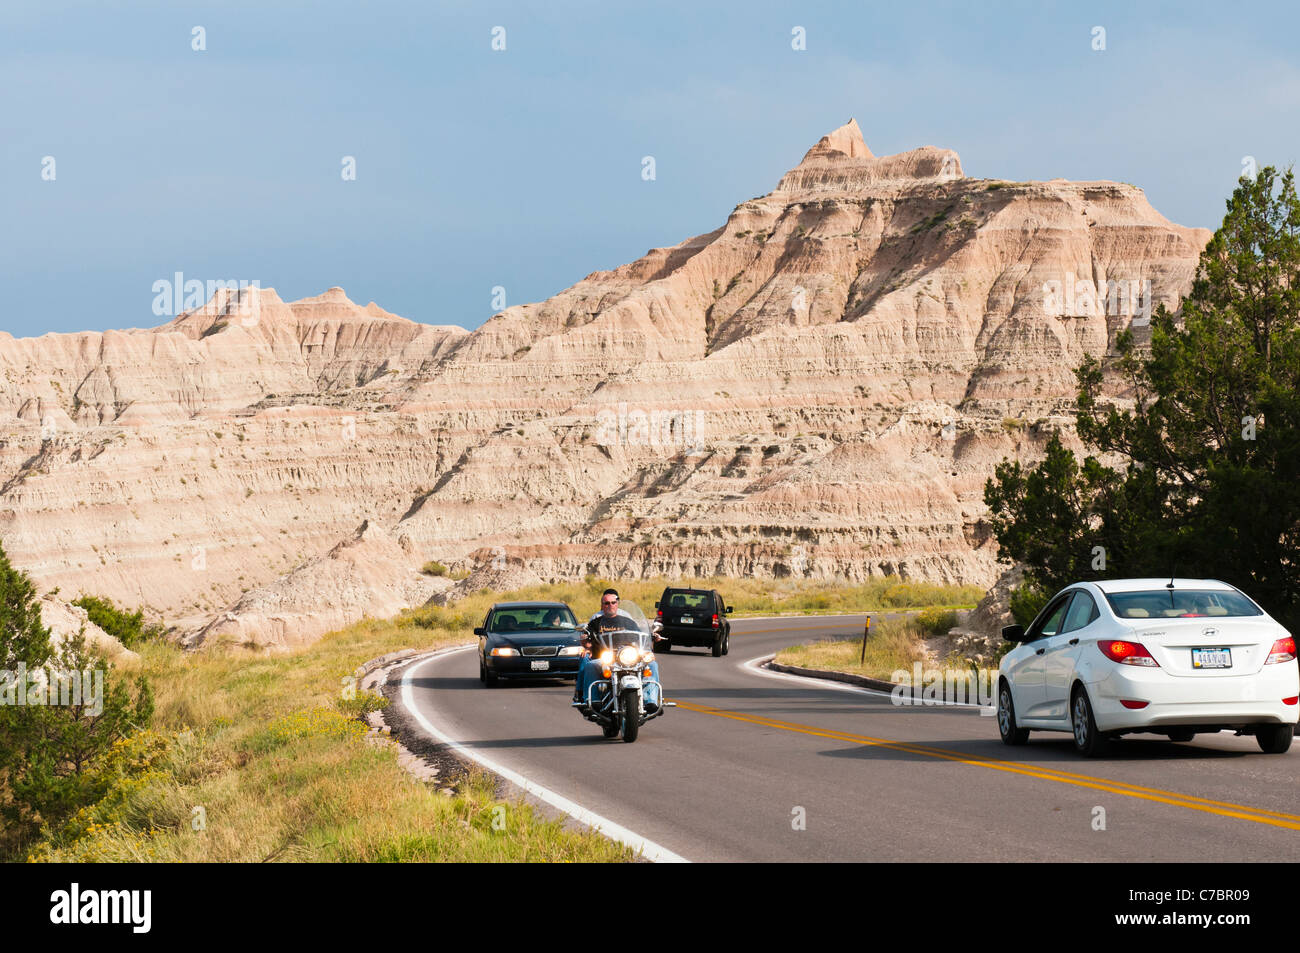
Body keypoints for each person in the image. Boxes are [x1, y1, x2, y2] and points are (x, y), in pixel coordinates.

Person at [572, 588, 662, 711]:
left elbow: (640, 636)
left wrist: (652, 636)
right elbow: (587, 640)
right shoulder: (596, 622)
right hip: (606, 659)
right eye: (607, 603)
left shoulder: (628, 621)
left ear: (617, 604)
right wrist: (585, 642)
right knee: (591, 665)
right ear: (602, 605)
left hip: (628, 658)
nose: (610, 605)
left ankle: (651, 701)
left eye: (613, 602)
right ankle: (593, 700)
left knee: (652, 665)